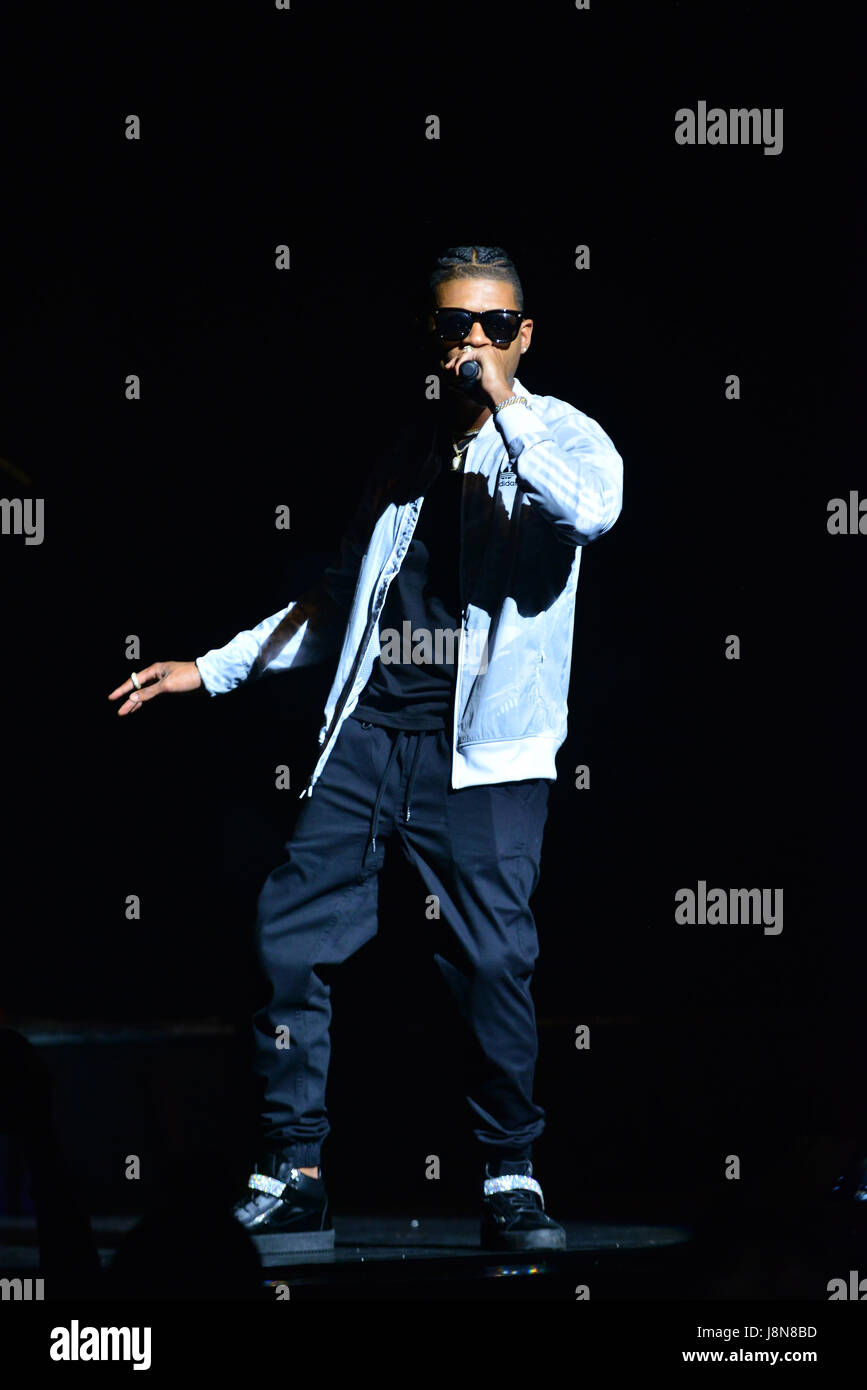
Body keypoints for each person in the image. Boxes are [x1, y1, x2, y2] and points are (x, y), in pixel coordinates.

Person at [107, 245, 624, 1255]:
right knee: (289, 931)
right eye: (451, 328)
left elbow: (590, 511)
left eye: (494, 325)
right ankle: (290, 1170)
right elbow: (338, 606)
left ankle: (512, 1174)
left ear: (526, 334)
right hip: (370, 735)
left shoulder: (564, 437)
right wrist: (210, 667)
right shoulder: (405, 458)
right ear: (427, 340)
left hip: (481, 756)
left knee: (493, 963)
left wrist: (503, 405)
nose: (472, 345)